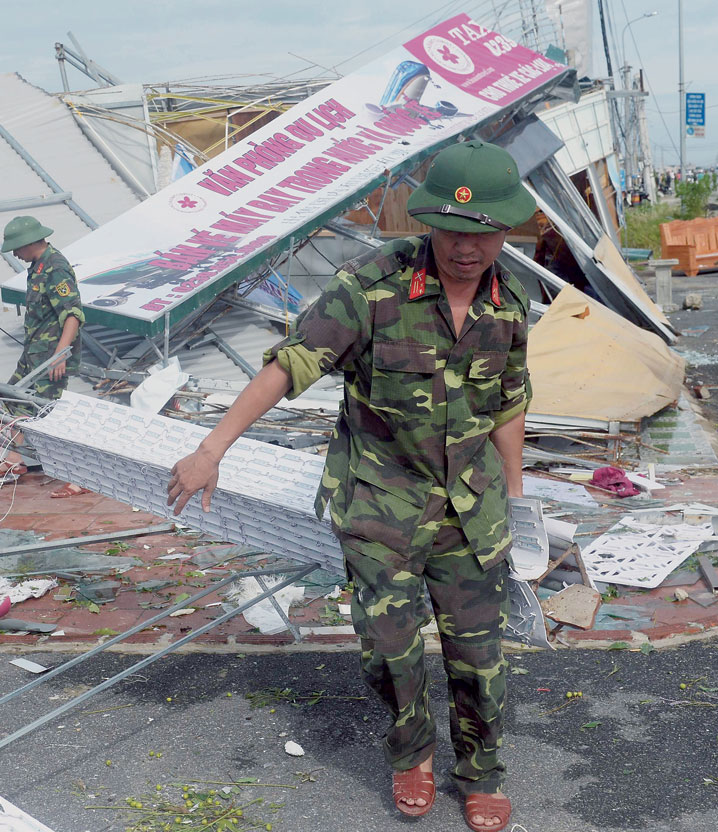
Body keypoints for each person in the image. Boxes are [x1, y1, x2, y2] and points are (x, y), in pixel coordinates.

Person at [167, 140, 533, 831]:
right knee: (390, 649)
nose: (465, 248)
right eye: (452, 232)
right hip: (380, 504)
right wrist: (211, 447)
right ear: (429, 223)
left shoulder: (510, 305)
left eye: (482, 234)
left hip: (471, 511)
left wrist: (518, 500)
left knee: (480, 657)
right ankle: (412, 757)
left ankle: (480, 773)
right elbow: (292, 362)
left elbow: (509, 403)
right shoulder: (370, 286)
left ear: (502, 230)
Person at [0, 215, 88, 498]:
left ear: (29, 242)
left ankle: (79, 476)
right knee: (11, 397)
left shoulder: (56, 267)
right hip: (34, 354)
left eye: (16, 247)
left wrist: (60, 355)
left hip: (50, 357)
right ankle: (15, 460)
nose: (15, 253)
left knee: (49, 415)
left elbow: (72, 314)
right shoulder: (37, 267)